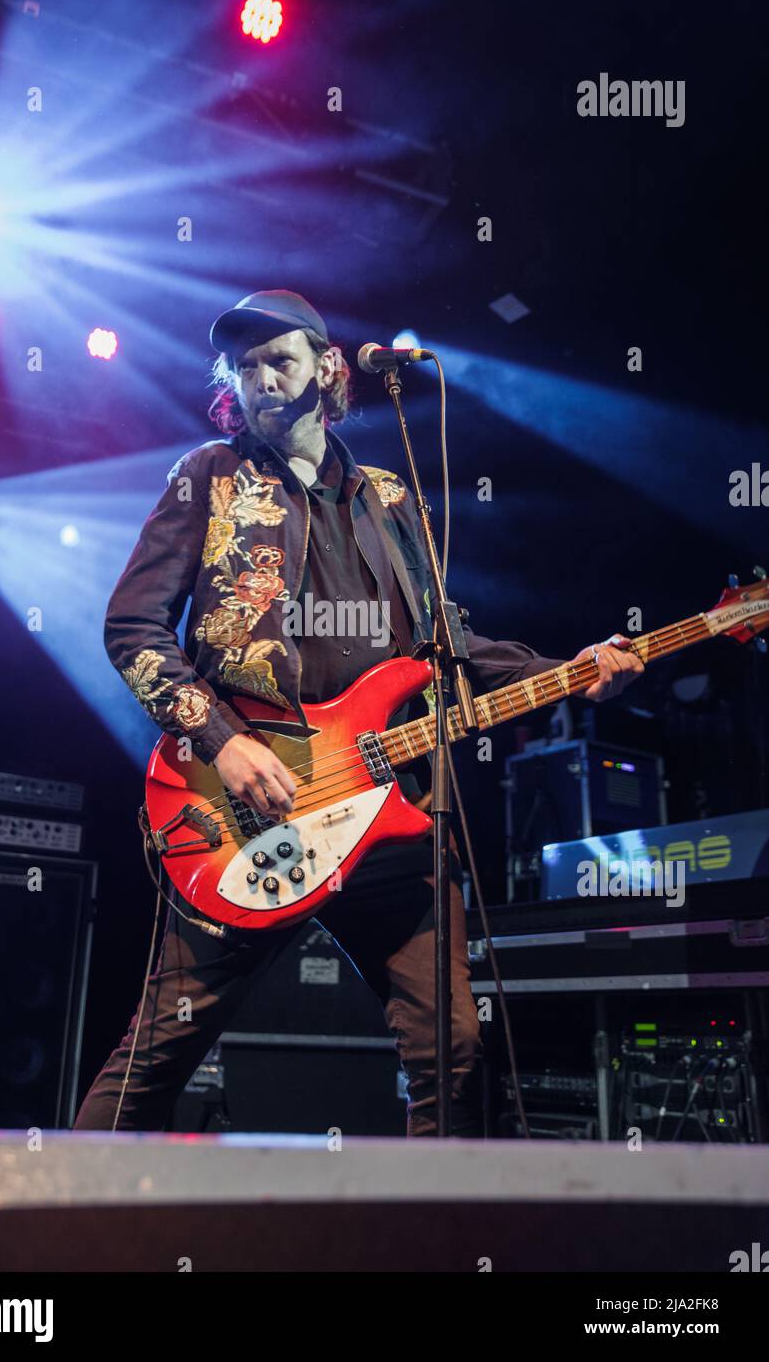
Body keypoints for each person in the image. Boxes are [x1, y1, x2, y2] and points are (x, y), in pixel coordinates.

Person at [73, 290, 643, 1134]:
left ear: (328, 369)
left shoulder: (388, 497)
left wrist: (572, 670)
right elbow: (133, 627)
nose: (262, 379)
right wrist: (222, 742)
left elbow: (449, 647)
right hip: (244, 808)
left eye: (280, 360)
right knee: (157, 1055)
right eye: (247, 366)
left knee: (450, 1049)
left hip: (383, 813)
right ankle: (61, 1231)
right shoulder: (210, 476)